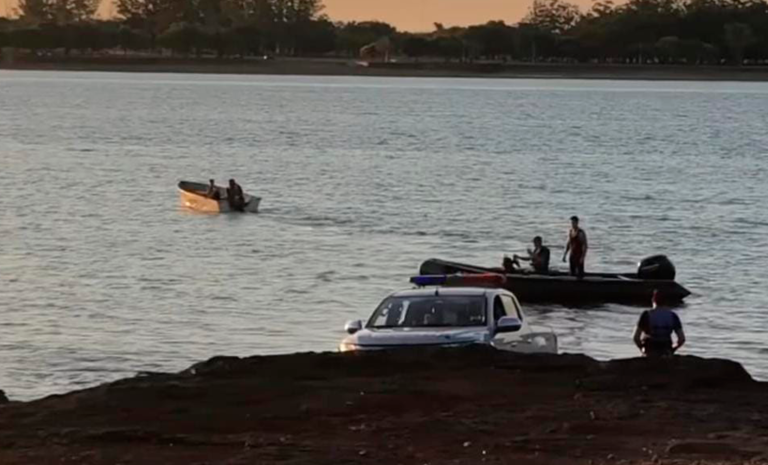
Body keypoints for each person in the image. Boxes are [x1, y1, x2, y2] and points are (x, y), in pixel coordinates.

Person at [633, 290, 685, 357]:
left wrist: (642, 348)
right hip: (666, 350)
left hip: (650, 350)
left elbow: (636, 338)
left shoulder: (646, 315)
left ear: (653, 300)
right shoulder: (673, 316)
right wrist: (673, 349)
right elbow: (681, 339)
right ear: (667, 302)